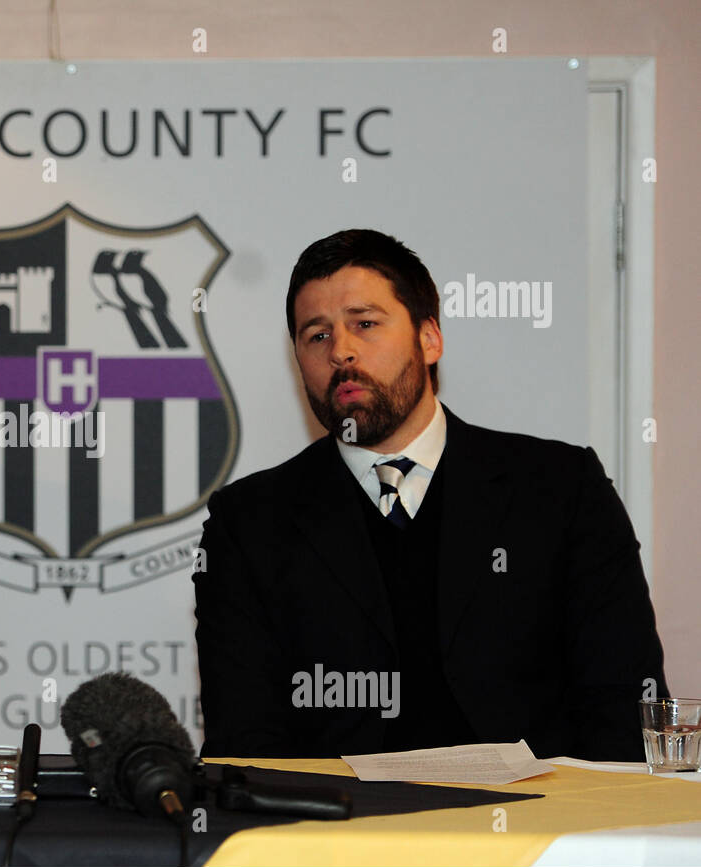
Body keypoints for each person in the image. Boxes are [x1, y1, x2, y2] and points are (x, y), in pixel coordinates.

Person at [194, 229, 666, 761]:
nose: (342, 351)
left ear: (429, 338)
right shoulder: (248, 524)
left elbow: (625, 710)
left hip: (538, 828)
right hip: (338, 833)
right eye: (317, 335)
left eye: (364, 324)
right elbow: (244, 746)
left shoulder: (560, 489)